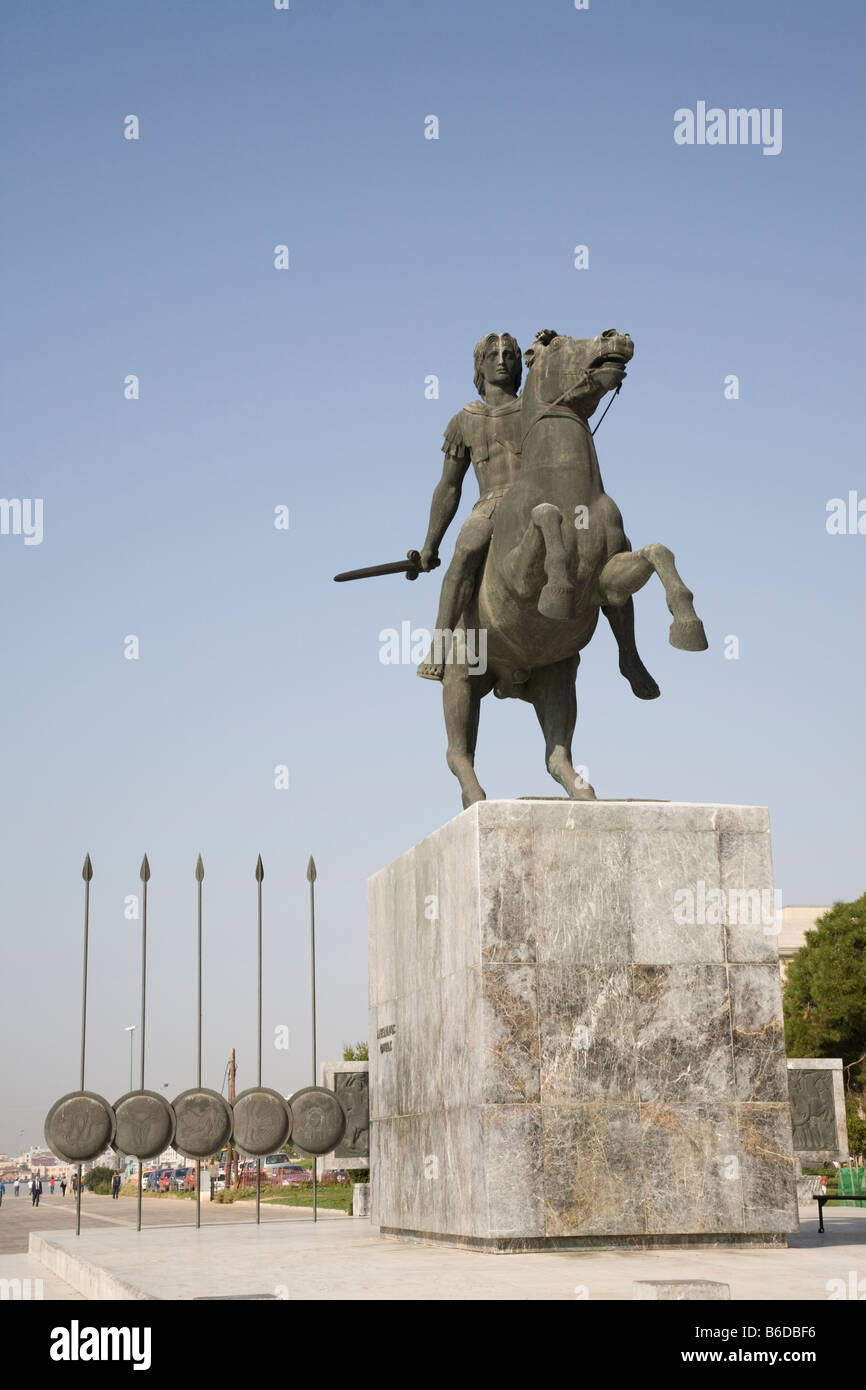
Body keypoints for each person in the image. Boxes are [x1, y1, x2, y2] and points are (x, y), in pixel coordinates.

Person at [417, 332, 525, 680]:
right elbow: (449, 487)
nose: (502, 361)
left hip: (534, 501)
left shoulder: (535, 409)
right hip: (490, 505)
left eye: (509, 355)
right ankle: (440, 640)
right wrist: (429, 546)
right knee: (467, 548)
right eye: (493, 355)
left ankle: (627, 650)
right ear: (479, 365)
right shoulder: (465, 419)